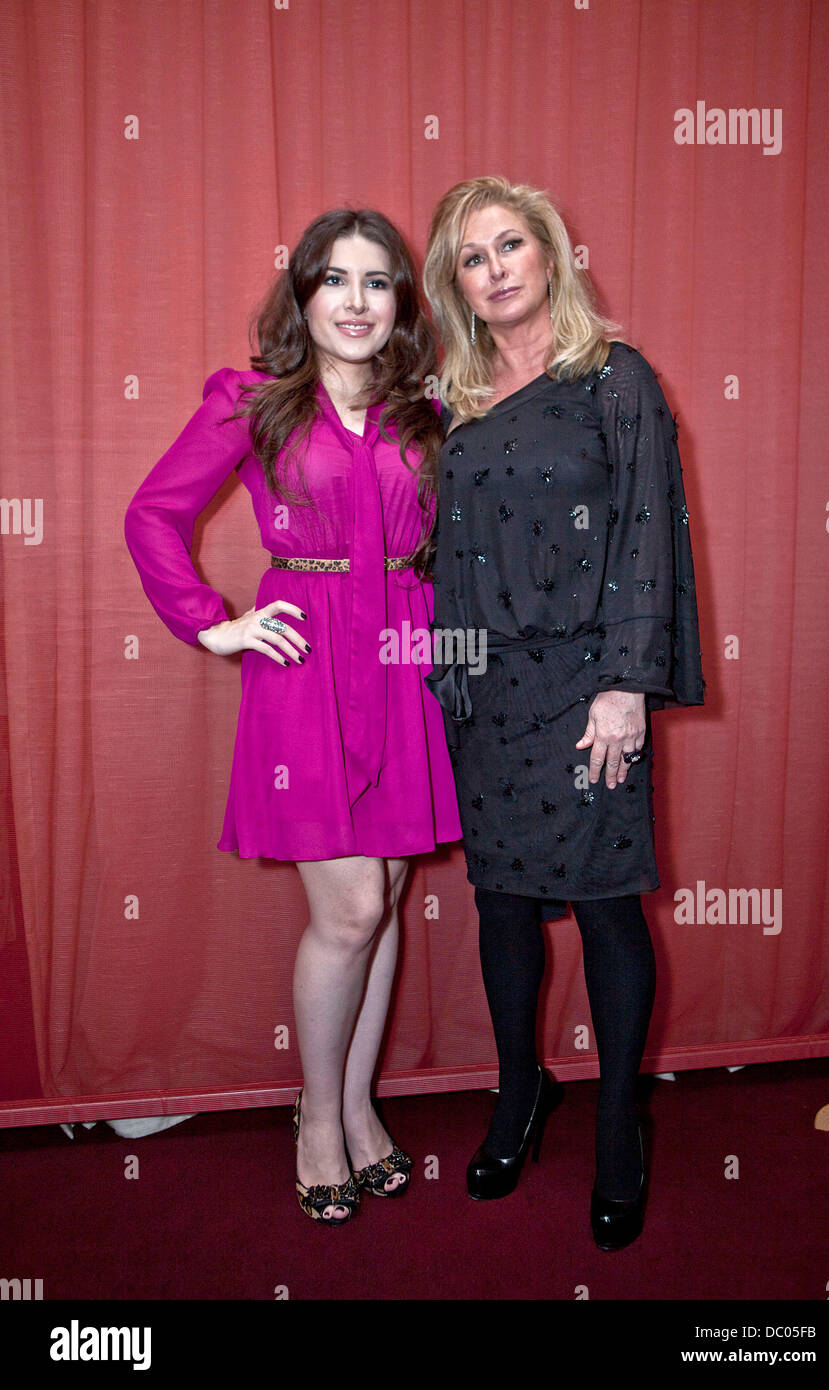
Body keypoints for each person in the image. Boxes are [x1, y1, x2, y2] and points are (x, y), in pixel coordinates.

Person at [124, 209, 462, 1225]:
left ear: (400, 300)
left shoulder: (428, 411)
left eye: (377, 282)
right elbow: (153, 514)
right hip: (305, 660)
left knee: (390, 892)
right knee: (348, 908)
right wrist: (211, 625)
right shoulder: (255, 402)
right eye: (336, 279)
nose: (356, 301)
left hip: (407, 650)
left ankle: (358, 1111)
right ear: (303, 294)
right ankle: (316, 1118)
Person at [422, 176, 705, 1250]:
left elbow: (645, 533)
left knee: (601, 907)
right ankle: (517, 1093)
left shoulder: (613, 379)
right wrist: (443, 676)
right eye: (471, 256)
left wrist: (627, 684)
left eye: (510, 246)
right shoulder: (458, 396)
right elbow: (447, 561)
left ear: (550, 253)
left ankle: (621, 1129)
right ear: (459, 283)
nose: (494, 270)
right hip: (487, 690)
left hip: (590, 691)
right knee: (499, 905)